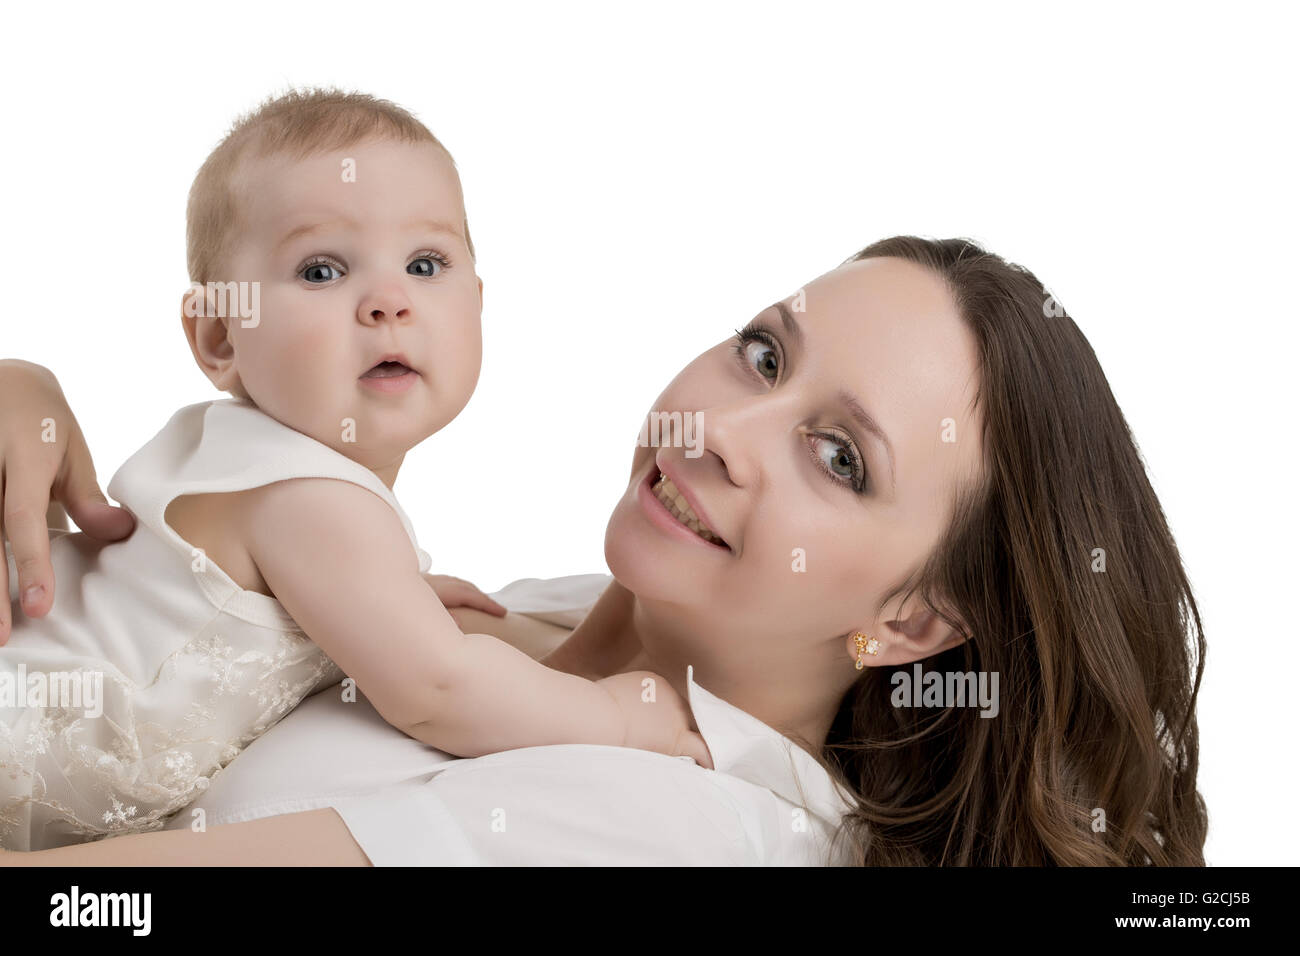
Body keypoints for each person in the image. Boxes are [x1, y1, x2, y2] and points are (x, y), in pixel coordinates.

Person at [0, 236, 1210, 865]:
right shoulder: (550, 622)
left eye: (840, 458)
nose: (725, 431)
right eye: (763, 354)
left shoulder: (671, 821)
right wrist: (34, 403)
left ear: (908, 624)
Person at [0, 88, 708, 852]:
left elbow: (222, 600)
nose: (388, 302)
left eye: (426, 263)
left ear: (478, 302)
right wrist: (621, 721)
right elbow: (439, 690)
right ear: (219, 337)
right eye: (322, 270)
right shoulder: (309, 494)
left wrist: (371, 604)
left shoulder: (264, 472)